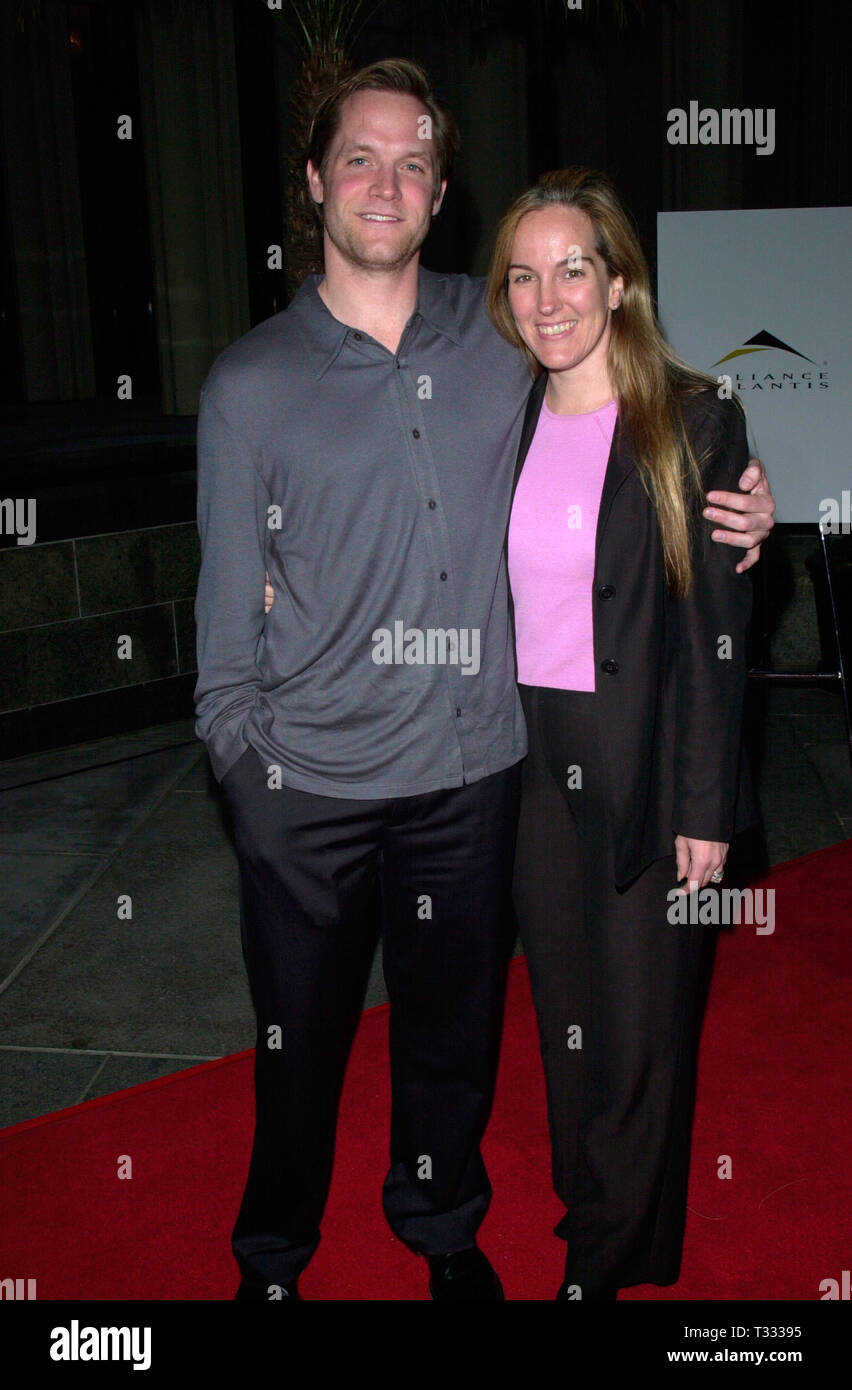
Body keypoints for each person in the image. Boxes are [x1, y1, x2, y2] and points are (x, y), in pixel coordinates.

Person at [195, 60, 775, 1302]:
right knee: (295, 1050)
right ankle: (273, 1260)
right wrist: (249, 777)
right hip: (308, 787)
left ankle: (444, 1230)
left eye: (414, 159)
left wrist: (746, 507)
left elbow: (643, 432)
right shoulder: (247, 385)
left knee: (451, 1048)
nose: (386, 180)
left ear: (443, 189)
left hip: (473, 781)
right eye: (359, 156)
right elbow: (220, 624)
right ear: (315, 183)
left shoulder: (497, 334)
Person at [486, 166, 758, 1300]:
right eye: (524, 276)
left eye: (573, 269)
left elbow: (717, 634)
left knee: (642, 1030)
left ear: (619, 282)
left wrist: (705, 807)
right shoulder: (496, 413)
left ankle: (602, 1263)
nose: (549, 299)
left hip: (648, 744)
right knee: (571, 1020)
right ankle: (602, 1218)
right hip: (527, 759)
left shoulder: (692, 419)